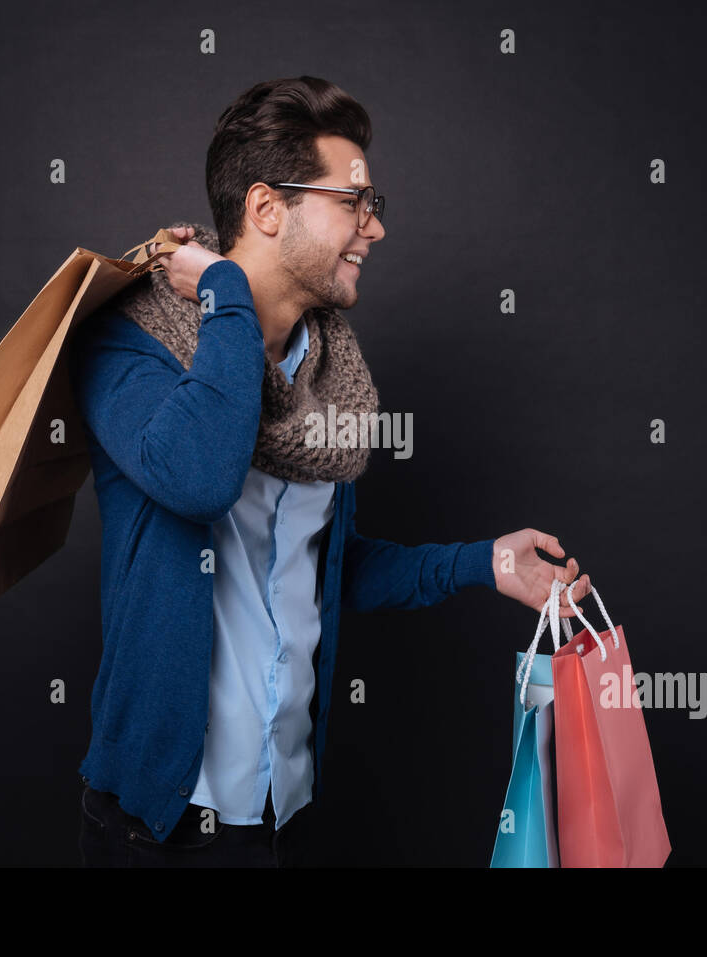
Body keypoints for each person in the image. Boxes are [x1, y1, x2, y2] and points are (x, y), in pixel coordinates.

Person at [70, 75, 591, 867]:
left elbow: (328, 568)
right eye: (354, 202)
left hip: (288, 811)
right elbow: (201, 476)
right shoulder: (130, 344)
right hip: (161, 827)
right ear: (266, 208)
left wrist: (486, 562)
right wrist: (225, 291)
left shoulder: (330, 381)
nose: (374, 228)